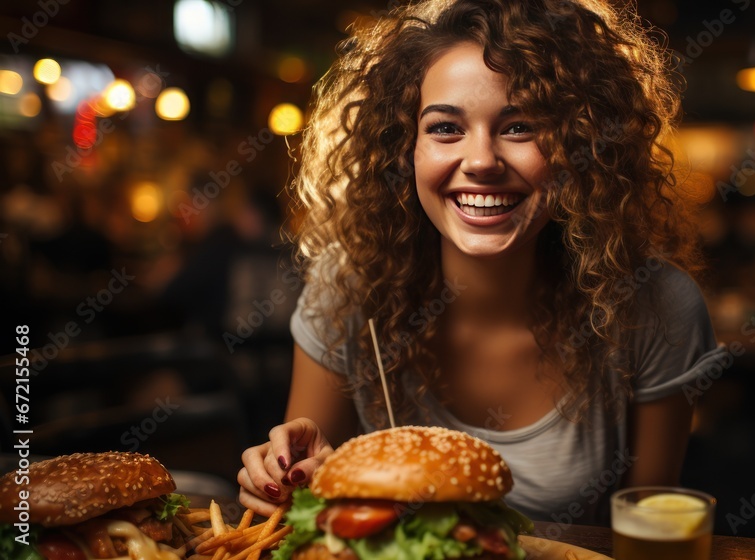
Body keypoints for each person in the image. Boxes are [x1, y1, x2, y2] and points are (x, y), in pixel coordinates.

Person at [238, 0, 726, 525]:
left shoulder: (656, 305)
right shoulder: (347, 285)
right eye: (445, 129)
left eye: (519, 127)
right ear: (405, 150)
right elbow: (299, 512)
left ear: (577, 145)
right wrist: (290, 482)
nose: (480, 162)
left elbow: (648, 530)